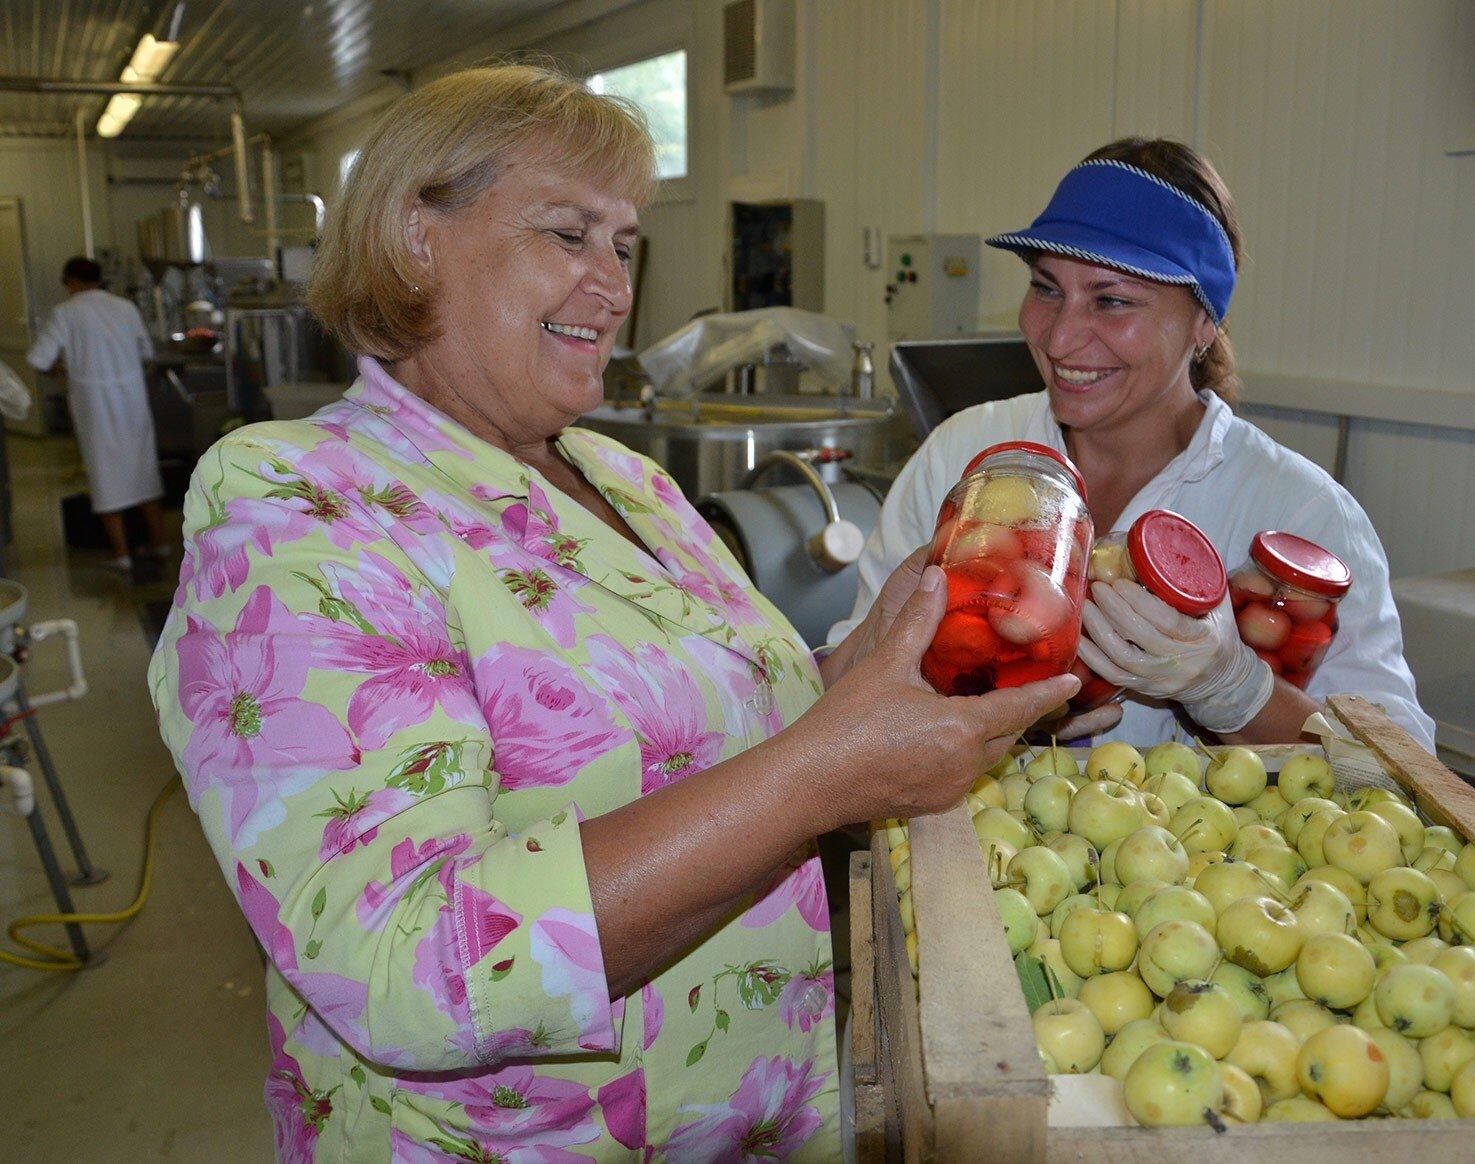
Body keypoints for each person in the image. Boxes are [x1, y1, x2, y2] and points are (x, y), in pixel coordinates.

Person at [147, 66, 1075, 1161]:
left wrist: (872, 659)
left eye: (623, 245)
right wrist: (833, 769)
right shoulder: (294, 505)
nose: (612, 284)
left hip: (762, 1110)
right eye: (567, 234)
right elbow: (404, 965)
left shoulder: (619, 478)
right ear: (413, 239)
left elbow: (727, 745)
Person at [833, 138, 1433, 751]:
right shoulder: (963, 456)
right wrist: (985, 710)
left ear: (1205, 320)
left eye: (1112, 300)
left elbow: (1404, 773)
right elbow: (849, 693)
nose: (1061, 339)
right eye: (1046, 288)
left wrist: (1233, 689)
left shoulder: (1301, 512)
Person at [27, 256, 165, 571]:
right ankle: (161, 544)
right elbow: (147, 352)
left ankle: (122, 554)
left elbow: (39, 359)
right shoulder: (125, 308)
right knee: (144, 471)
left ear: (72, 282)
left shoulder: (65, 313)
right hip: (131, 401)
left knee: (105, 476)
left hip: (95, 406)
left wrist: (64, 367)